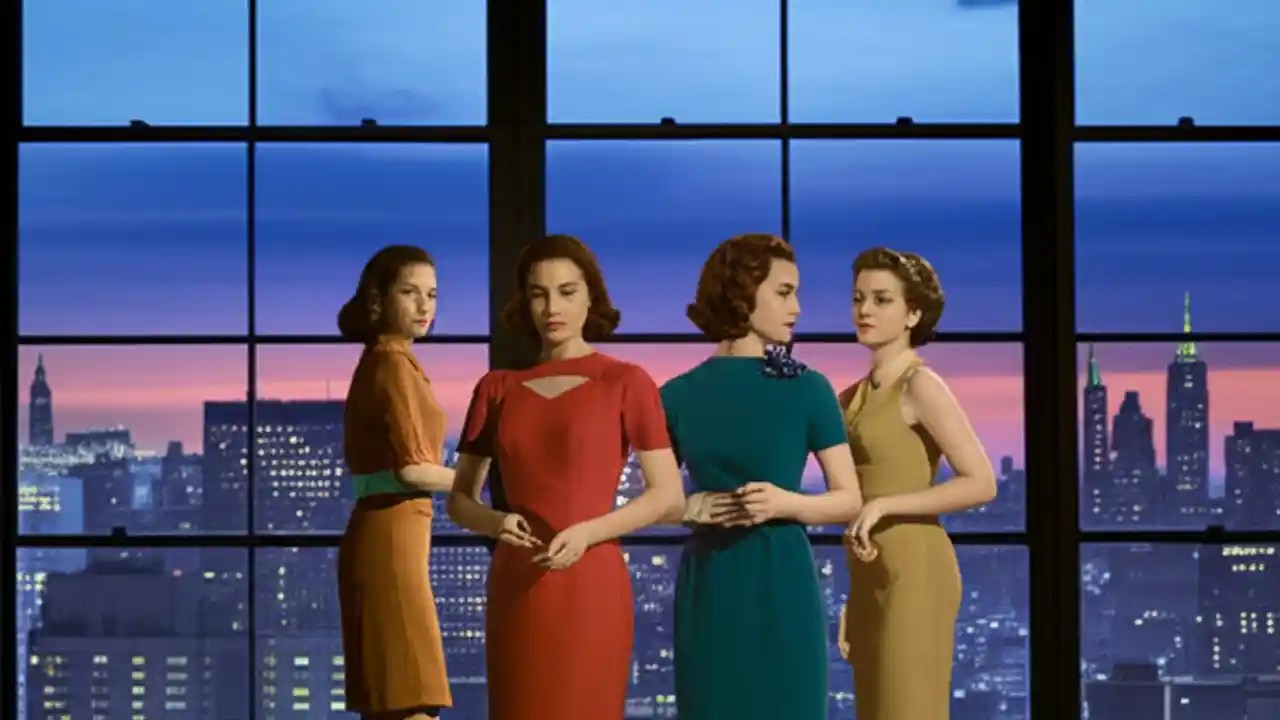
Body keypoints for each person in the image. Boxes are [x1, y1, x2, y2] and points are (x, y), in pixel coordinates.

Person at [445, 234, 685, 720]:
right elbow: (459, 501)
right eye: (538, 293)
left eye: (567, 291)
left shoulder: (625, 382)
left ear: (591, 296)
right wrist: (495, 523)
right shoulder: (497, 388)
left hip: (591, 581)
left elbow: (667, 495)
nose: (552, 306)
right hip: (517, 583)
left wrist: (589, 532)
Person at [662, 233, 864, 719]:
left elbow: (849, 499)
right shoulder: (674, 396)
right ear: (741, 292)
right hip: (712, 585)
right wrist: (691, 507)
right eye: (783, 291)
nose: (796, 306)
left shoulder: (809, 390)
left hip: (784, 583)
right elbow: (653, 499)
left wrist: (784, 503)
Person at [839, 247, 997, 720]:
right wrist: (852, 596)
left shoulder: (921, 386)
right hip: (870, 572)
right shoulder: (849, 397)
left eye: (881, 299)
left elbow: (981, 482)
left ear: (913, 313)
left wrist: (887, 506)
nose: (864, 310)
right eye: (858, 298)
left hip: (915, 568)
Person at [335, 245, 456, 720]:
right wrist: (481, 477)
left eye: (432, 294)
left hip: (392, 538)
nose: (425, 306)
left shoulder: (387, 360)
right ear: (378, 299)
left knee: (398, 702)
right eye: (410, 292)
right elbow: (412, 469)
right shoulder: (391, 363)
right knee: (410, 701)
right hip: (390, 543)